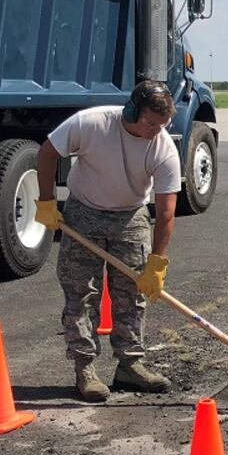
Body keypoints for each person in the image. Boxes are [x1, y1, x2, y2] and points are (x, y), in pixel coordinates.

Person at [34, 80, 181, 403]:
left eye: (163, 125)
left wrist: (157, 262)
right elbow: (46, 154)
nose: (156, 131)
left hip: (131, 218)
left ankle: (130, 364)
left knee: (132, 294)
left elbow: (167, 211)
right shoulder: (91, 123)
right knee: (81, 294)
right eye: (150, 123)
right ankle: (85, 368)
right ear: (131, 110)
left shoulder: (162, 147)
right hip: (83, 214)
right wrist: (46, 202)